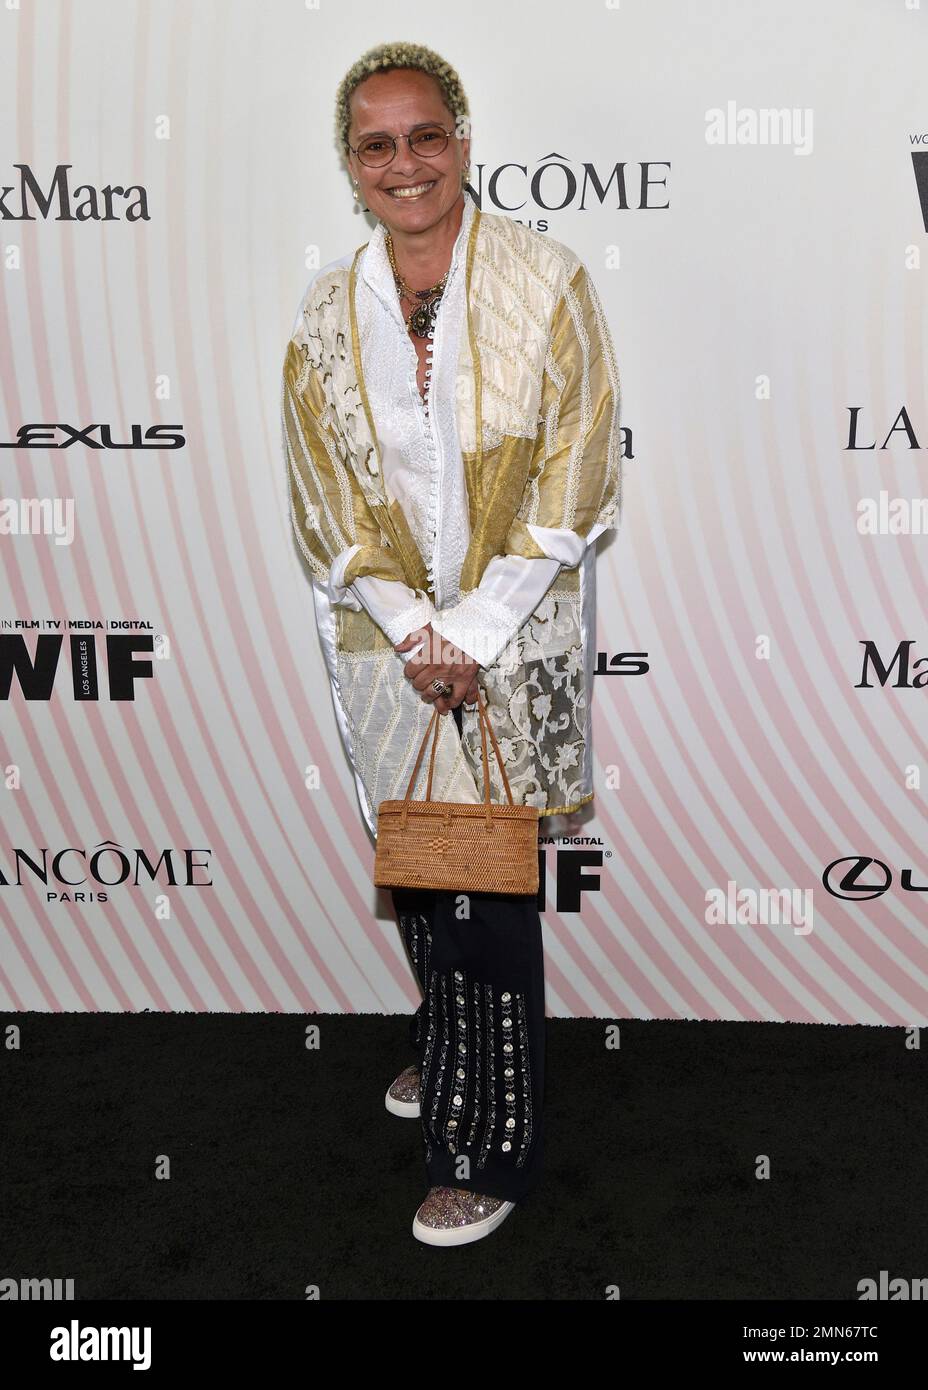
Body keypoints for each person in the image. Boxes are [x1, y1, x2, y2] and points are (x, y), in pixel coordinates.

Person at [282, 40, 622, 1246]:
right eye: (375, 144)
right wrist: (411, 629)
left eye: (425, 134)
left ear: (464, 138)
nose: (405, 162)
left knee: (481, 891)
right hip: (386, 651)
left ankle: (486, 1141)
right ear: (351, 165)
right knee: (423, 871)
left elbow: (576, 483)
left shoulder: (548, 282)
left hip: (511, 642)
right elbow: (321, 500)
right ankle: (453, 1042)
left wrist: (471, 632)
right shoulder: (330, 311)